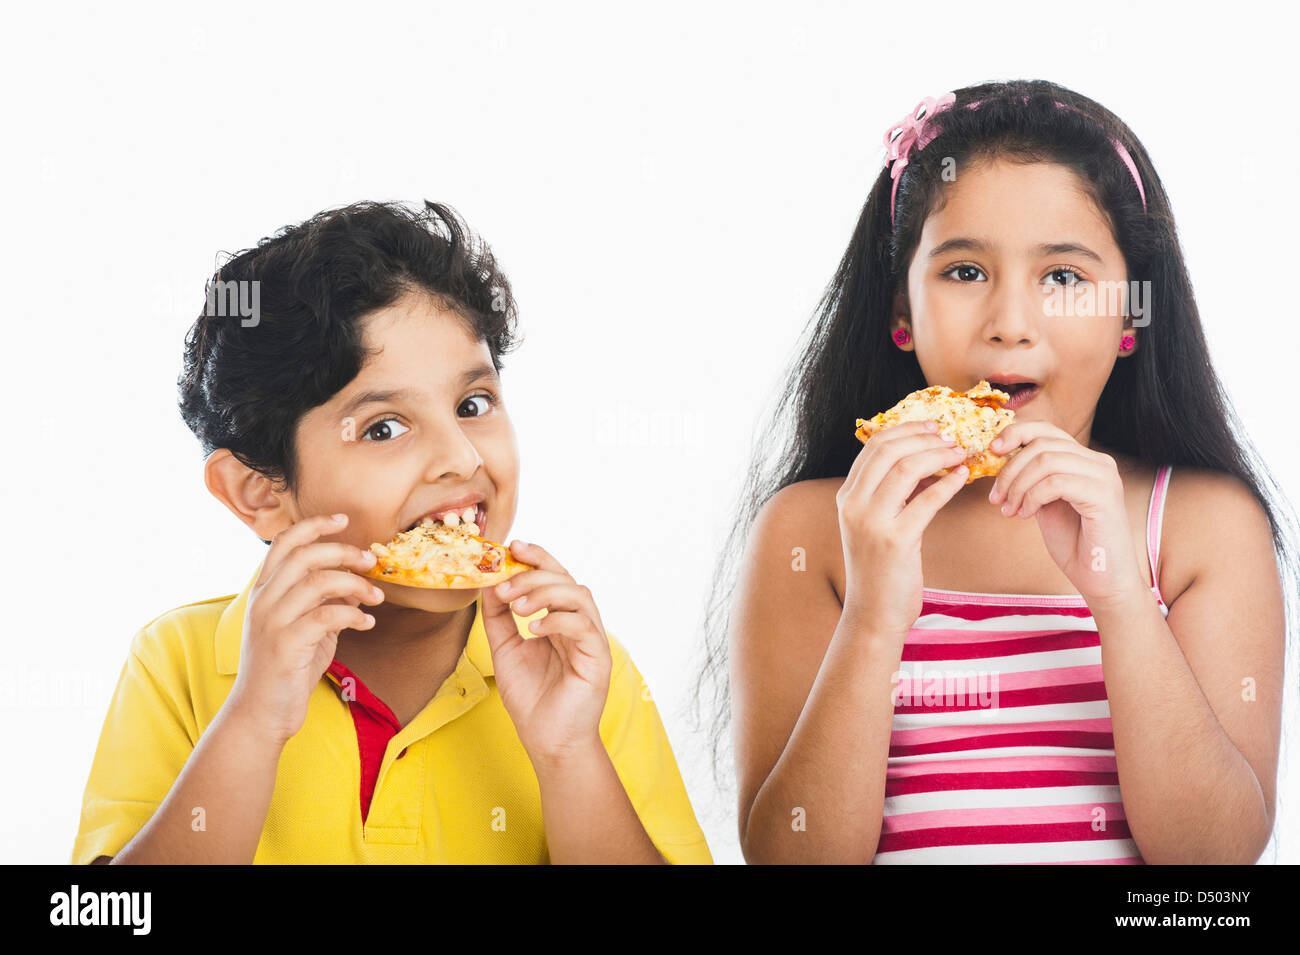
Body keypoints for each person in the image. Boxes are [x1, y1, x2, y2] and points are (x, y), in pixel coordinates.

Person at [706, 79, 1294, 864]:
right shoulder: (817, 528)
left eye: (1063, 278)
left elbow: (1212, 863)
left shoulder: (1200, 527)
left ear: (1130, 319)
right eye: (964, 272)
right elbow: (792, 855)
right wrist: (875, 618)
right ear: (900, 312)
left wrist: (1120, 598)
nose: (1011, 325)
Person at [72, 200, 711, 864]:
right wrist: (255, 720)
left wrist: (568, 754)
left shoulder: (575, 668)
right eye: (383, 427)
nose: (462, 456)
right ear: (261, 491)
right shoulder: (178, 665)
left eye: (473, 404)